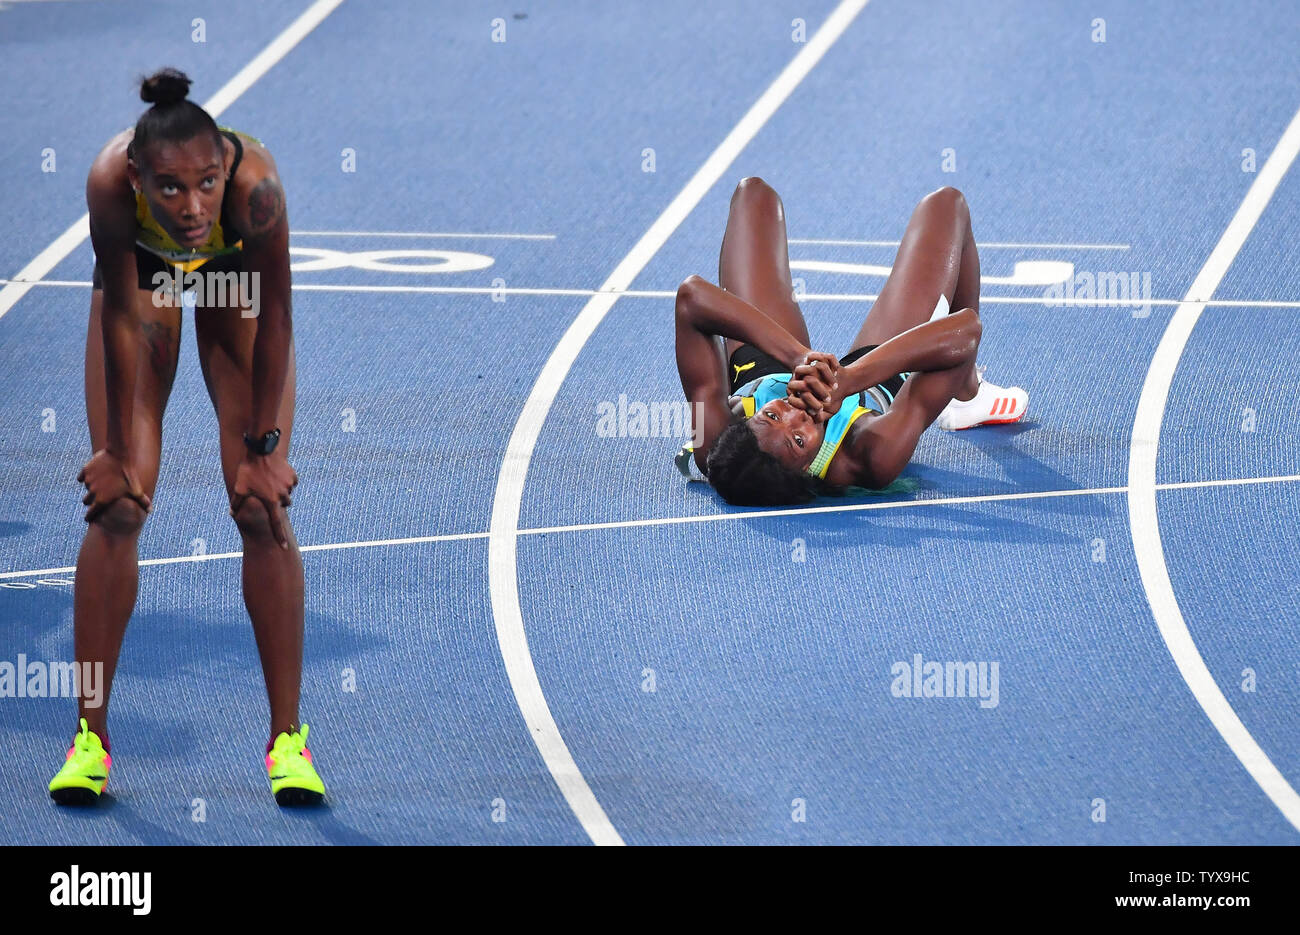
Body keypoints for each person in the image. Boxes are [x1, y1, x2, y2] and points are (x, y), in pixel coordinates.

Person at [48, 68, 324, 807]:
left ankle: (288, 742)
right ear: (139, 176)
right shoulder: (110, 184)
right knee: (120, 506)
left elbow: (280, 319)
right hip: (146, 276)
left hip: (238, 281)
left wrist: (264, 450)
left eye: (206, 183)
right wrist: (113, 453)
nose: (193, 205)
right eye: (170, 189)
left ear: (225, 168)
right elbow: (116, 308)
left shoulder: (255, 193)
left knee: (261, 509)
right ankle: (89, 740)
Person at [675, 178, 1028, 506]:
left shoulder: (718, 442)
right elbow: (965, 330)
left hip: (764, 370)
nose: (796, 413)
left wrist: (801, 357)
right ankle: (966, 395)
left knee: (753, 194)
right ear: (806, 474)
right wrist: (849, 380)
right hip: (869, 386)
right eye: (799, 441)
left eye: (771, 415)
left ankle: (785, 396)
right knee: (947, 204)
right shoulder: (870, 456)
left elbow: (691, 298)